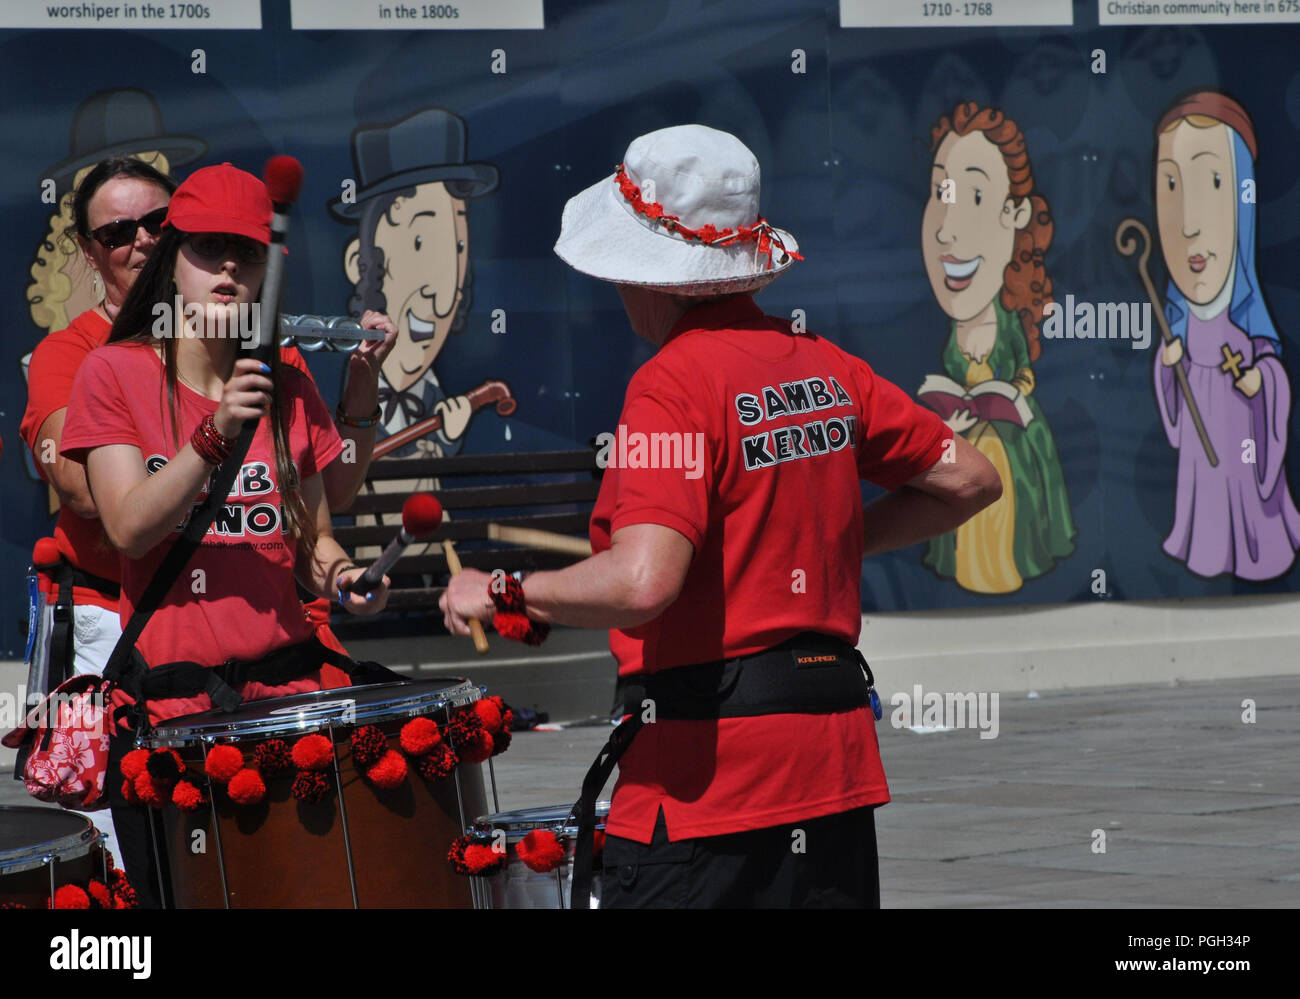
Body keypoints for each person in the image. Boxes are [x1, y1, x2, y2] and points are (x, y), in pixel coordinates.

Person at [441, 124, 1000, 907]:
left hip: (707, 787)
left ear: (654, 277)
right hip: (832, 771)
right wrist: (828, 539)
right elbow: (969, 479)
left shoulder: (670, 388)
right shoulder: (830, 369)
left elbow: (643, 581)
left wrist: (503, 590)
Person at [59, 163, 390, 907]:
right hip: (174, 722)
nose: (229, 268)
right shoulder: (112, 373)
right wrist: (214, 434)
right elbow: (128, 526)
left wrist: (346, 579)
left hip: (288, 704)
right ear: (172, 259)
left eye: (246, 251)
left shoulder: (288, 381)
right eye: (207, 248)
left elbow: (313, 539)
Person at [918, 101, 1075, 594]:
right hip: (962, 447)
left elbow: (1022, 376)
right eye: (941, 193)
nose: (946, 228)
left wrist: (1008, 392)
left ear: (1015, 213)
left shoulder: (1010, 323)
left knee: (1011, 516)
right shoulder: (950, 335)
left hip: (1012, 448)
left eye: (977, 196)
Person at [1151, 90, 1300, 579]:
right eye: (1171, 186)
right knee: (1205, 488)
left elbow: (1272, 369)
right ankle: (1206, 544)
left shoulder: (1248, 315)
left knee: (1240, 473)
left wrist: (1263, 384)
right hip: (1200, 432)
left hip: (1241, 430)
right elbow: (1172, 406)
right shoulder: (1183, 316)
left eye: (1213, 182)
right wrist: (1170, 365)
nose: (1190, 225)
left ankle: (1255, 546)